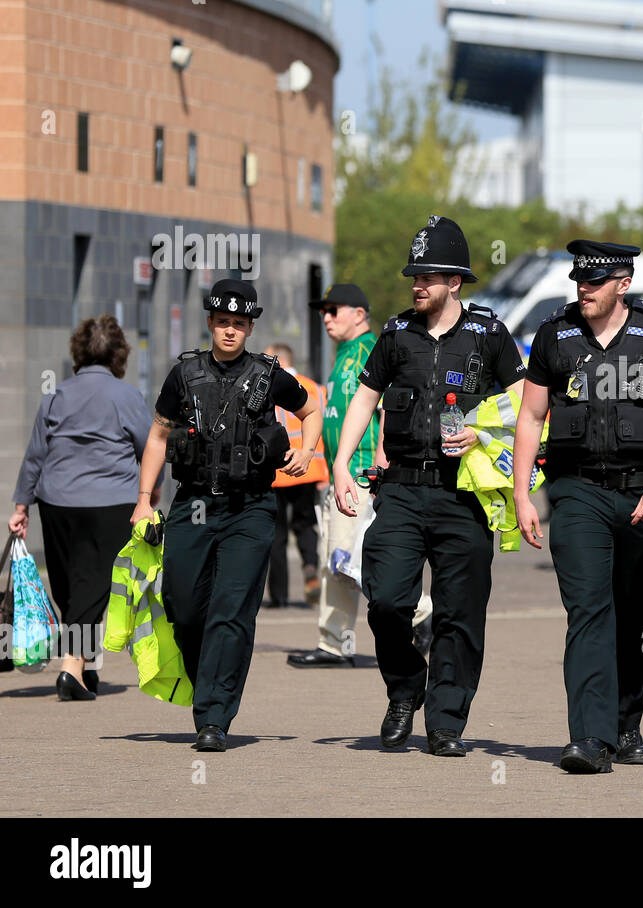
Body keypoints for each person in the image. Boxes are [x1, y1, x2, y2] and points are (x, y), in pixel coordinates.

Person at [331, 215, 525, 757]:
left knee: (461, 615)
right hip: (400, 490)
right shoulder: (395, 334)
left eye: (428, 276)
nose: (417, 284)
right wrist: (344, 464)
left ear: (455, 281)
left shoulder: (489, 334)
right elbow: (365, 399)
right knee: (387, 600)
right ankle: (405, 687)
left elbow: (528, 407)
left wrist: (486, 442)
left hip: (464, 496)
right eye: (413, 275)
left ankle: (446, 722)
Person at [514, 239, 643, 773]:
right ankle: (589, 739)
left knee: (635, 612)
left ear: (624, 283)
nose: (582, 290)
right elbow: (530, 417)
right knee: (588, 609)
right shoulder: (554, 334)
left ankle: (626, 723)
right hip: (576, 490)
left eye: (593, 282)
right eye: (578, 281)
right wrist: (523, 493)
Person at [131, 279, 321, 751]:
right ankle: (207, 687)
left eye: (239, 324)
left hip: (250, 508)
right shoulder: (184, 375)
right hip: (193, 504)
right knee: (184, 607)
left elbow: (311, 408)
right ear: (210, 324)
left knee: (231, 611)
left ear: (250, 327)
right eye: (222, 323)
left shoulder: (269, 374)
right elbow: (158, 437)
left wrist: (308, 450)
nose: (230, 331)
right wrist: (143, 498)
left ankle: (214, 716)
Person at [287, 284, 432, 669]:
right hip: (342, 475)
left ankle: (420, 612)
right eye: (324, 311)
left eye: (335, 309)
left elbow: (386, 407)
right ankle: (335, 642)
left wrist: (380, 463)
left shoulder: (372, 347)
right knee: (335, 560)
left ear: (359, 314)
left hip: (364, 475)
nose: (327, 316)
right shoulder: (342, 355)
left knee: (351, 560)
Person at [9, 315, 153, 700]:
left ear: (78, 351)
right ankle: (71, 666)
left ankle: (86, 671)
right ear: (119, 354)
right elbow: (149, 449)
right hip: (110, 502)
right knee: (93, 586)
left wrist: (21, 505)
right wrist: (151, 498)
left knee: (71, 586)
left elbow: (35, 455)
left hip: (56, 502)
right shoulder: (128, 397)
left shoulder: (55, 394)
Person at [263, 343, 328, 609]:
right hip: (310, 469)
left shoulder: (270, 386)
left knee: (277, 534)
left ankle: (278, 596)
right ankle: (310, 566)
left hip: (279, 471)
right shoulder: (316, 388)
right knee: (305, 525)